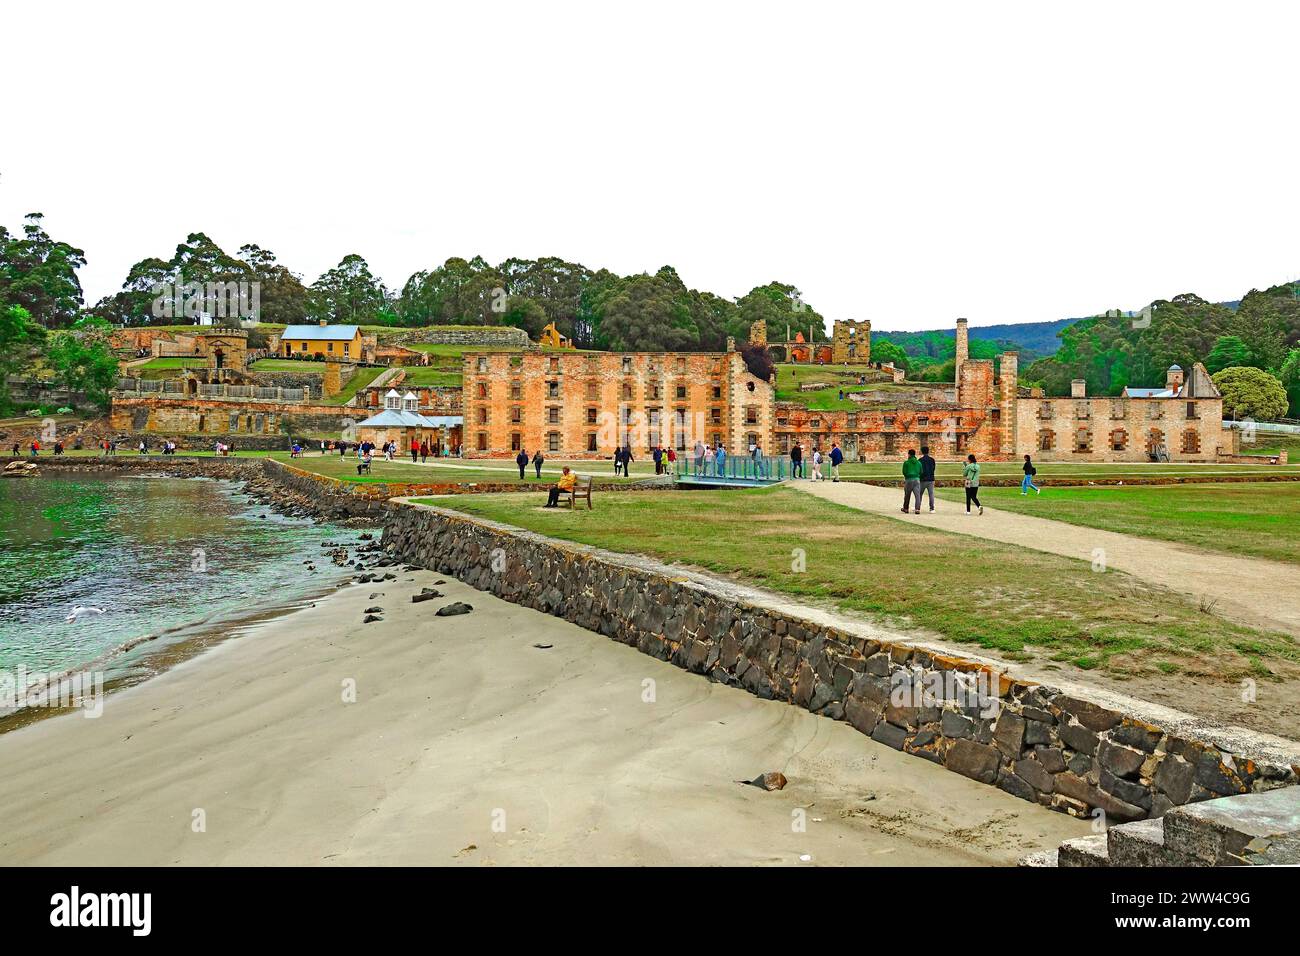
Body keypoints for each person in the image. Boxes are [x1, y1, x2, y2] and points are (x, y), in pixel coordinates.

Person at [901, 448, 921, 513]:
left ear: (909, 454)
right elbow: (921, 471)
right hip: (917, 479)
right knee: (917, 495)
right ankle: (917, 509)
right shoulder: (918, 463)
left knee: (907, 495)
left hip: (909, 479)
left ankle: (906, 508)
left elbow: (904, 472)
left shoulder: (906, 463)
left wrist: (907, 477)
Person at [918, 445, 937, 513]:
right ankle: (932, 508)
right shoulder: (932, 460)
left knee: (919, 494)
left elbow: (919, 470)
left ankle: (918, 507)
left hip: (923, 479)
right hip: (931, 479)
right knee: (931, 494)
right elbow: (933, 468)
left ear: (922, 452)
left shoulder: (920, 460)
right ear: (928, 451)